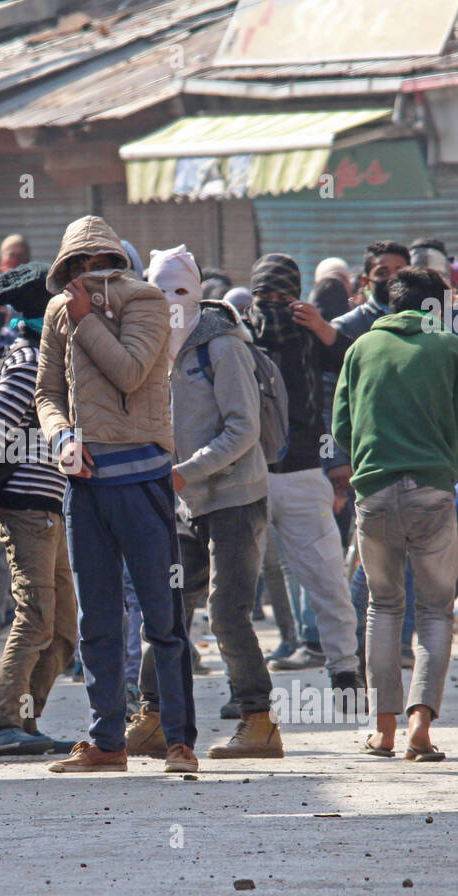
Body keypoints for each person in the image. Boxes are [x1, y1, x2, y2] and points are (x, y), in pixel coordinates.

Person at [35, 215, 199, 774]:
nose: (87, 275)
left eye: (91, 264)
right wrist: (59, 436)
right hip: (84, 484)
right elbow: (47, 393)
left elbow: (130, 373)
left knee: (162, 617)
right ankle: (107, 741)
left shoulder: (148, 301)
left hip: (142, 478)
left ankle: (179, 742)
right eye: (78, 268)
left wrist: (84, 320)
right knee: (97, 621)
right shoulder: (58, 311)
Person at [334, 266, 458, 760]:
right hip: (432, 488)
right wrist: (440, 475)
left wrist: (371, 472)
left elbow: (342, 426)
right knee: (435, 608)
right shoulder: (451, 347)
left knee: (382, 606)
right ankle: (421, 726)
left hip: (373, 492)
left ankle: (384, 730)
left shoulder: (359, 349)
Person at [149, 245, 279, 759]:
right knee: (169, 606)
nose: (169, 303)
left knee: (227, 611)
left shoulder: (222, 347)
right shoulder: (153, 347)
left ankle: (258, 720)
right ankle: (152, 717)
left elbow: (243, 428)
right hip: (183, 501)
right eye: (157, 291)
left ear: (198, 293)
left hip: (233, 497)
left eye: (180, 291)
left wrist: (186, 471)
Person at [0, 262, 77, 755]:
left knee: (63, 626)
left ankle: (26, 724)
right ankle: (3, 724)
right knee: (35, 615)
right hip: (28, 507)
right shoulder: (29, 359)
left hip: (51, 506)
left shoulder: (46, 356)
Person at [246, 253, 364, 700]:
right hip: (248, 478)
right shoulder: (237, 332)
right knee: (236, 593)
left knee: (327, 580)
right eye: (264, 295)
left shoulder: (311, 335)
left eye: (283, 296)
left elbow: (355, 362)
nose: (272, 304)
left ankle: (345, 673)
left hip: (302, 474)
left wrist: (322, 328)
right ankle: (246, 688)